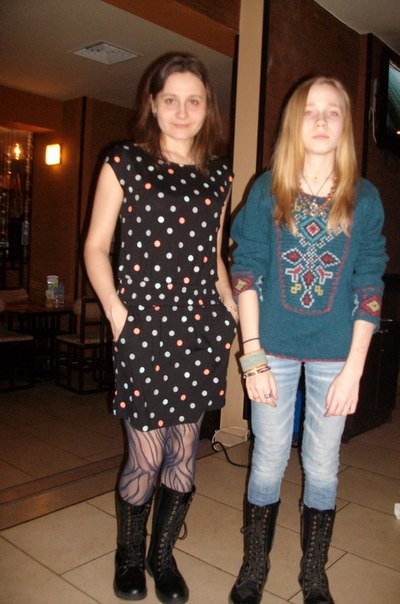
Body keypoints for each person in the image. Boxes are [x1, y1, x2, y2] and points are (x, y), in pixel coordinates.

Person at [84, 51, 237, 603]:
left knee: (184, 455)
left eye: (194, 101)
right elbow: (96, 246)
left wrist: (231, 306)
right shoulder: (123, 161)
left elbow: (212, 256)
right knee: (146, 456)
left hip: (199, 328)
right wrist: (116, 312)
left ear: (207, 108)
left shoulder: (219, 175)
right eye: (171, 99)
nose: (182, 111)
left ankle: (162, 555)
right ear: (152, 103)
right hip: (143, 327)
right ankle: (129, 555)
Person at [229, 75, 388, 604]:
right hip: (270, 349)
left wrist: (354, 370)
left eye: (332, 110)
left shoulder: (364, 199)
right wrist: (252, 357)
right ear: (294, 122)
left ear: (345, 125)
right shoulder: (267, 189)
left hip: (335, 356)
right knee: (268, 457)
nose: (320, 120)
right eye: (310, 110)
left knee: (322, 464)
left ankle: (313, 574)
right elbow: (246, 273)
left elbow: (370, 285)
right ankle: (254, 566)